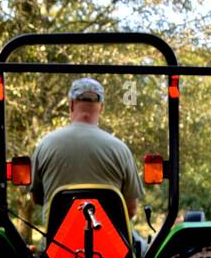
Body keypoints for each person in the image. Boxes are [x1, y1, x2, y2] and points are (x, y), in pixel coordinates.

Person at [31, 78, 143, 223]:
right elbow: (131, 209)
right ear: (101, 107)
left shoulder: (45, 145)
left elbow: (37, 198)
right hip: (108, 243)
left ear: (71, 104)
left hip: (57, 242)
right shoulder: (120, 149)